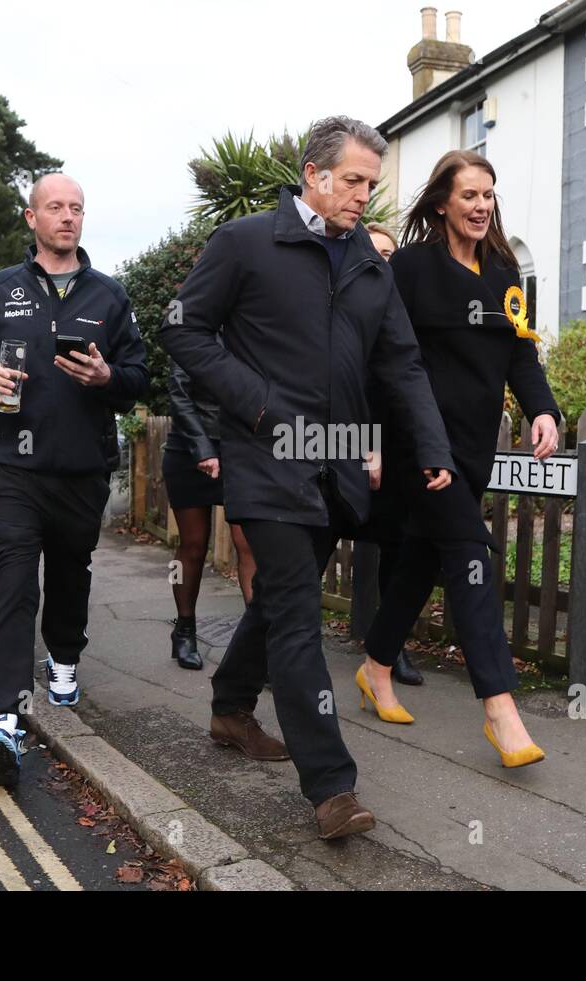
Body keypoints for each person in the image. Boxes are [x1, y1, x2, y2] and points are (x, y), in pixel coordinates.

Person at [162, 116, 456, 840]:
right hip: (265, 462)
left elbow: (402, 362)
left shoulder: (366, 261)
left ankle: (231, 706)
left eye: (371, 185)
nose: (363, 197)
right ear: (313, 174)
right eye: (353, 181)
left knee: (279, 602)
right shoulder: (245, 243)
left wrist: (432, 444)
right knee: (297, 616)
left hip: (337, 466)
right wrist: (256, 404)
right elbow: (183, 329)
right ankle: (331, 787)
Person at [361, 149, 561, 768]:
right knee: (470, 556)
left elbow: (521, 354)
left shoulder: (504, 271)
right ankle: (500, 710)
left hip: (472, 445)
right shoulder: (412, 270)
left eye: (488, 195)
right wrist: (370, 438)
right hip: (422, 445)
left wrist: (543, 410)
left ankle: (373, 666)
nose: (481, 206)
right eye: (470, 195)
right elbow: (380, 356)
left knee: (422, 561)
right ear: (443, 202)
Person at [0, 173, 149, 787]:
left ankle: (64, 660)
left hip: (82, 469)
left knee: (70, 573)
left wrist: (107, 378)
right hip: (13, 469)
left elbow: (140, 375)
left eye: (77, 209)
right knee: (12, 576)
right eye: (55, 207)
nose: (67, 217)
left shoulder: (109, 297)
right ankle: (0, 723)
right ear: (31, 218)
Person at [355, 222, 424, 686]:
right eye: (377, 252)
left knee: (397, 547)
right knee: (316, 545)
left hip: (398, 449)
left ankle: (388, 648)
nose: (385, 261)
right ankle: (282, 646)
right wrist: (365, 444)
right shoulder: (348, 309)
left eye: (391, 254)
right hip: (351, 444)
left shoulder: (402, 310)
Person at [163, 355, 256, 669]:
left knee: (249, 545)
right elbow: (179, 393)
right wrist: (202, 448)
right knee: (192, 544)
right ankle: (184, 629)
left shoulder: (251, 324)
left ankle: (258, 646)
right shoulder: (193, 323)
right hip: (188, 446)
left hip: (239, 447)